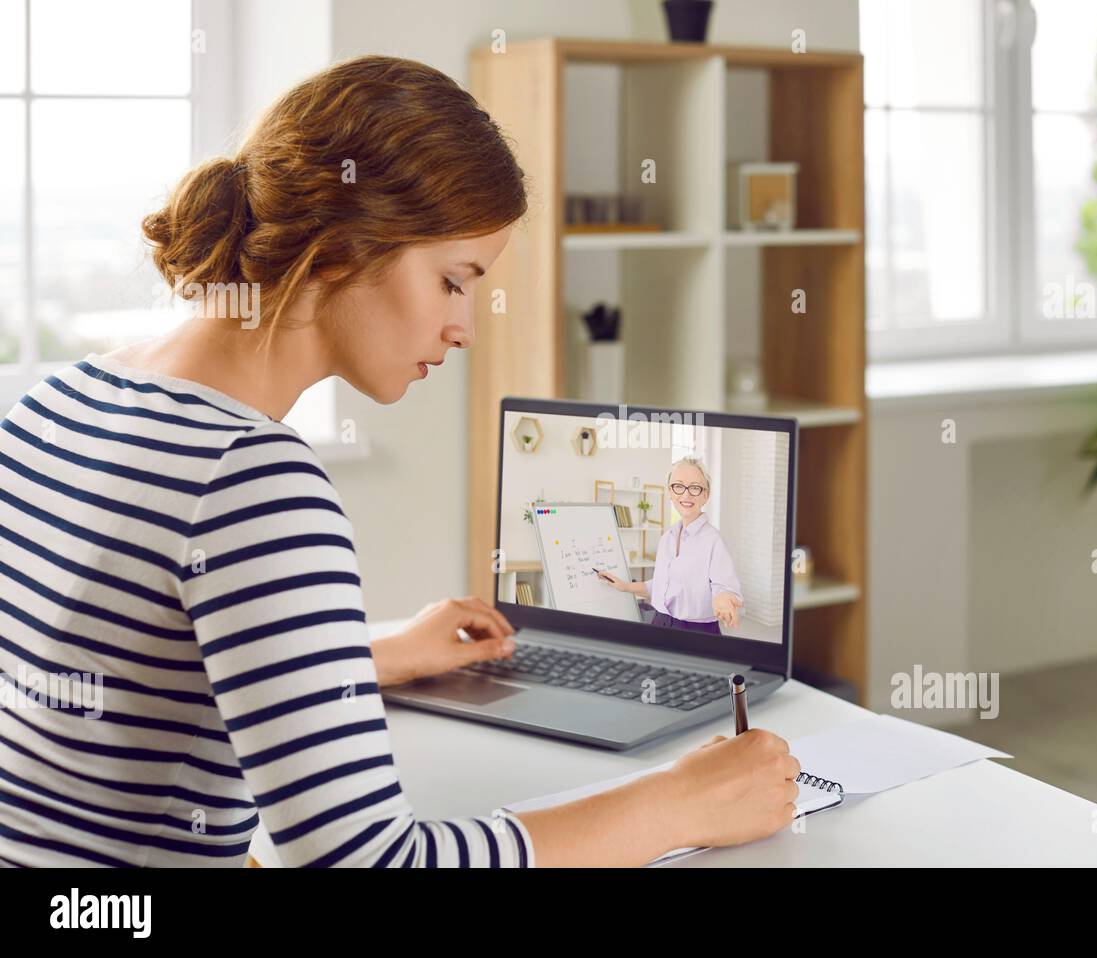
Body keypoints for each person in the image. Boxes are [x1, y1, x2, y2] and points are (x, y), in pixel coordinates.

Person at [0, 55, 799, 868]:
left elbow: (128, 684)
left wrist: (364, 659)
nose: (465, 329)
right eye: (455, 282)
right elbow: (370, 864)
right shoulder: (250, 480)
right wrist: (676, 805)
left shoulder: (56, 402)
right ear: (345, 247)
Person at [599, 457, 744, 635]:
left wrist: (724, 598)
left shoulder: (713, 541)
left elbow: (725, 587)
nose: (686, 494)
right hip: (659, 624)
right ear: (670, 492)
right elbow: (661, 586)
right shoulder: (667, 537)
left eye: (695, 488)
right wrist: (626, 586)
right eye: (679, 486)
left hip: (696, 633)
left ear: (705, 495)